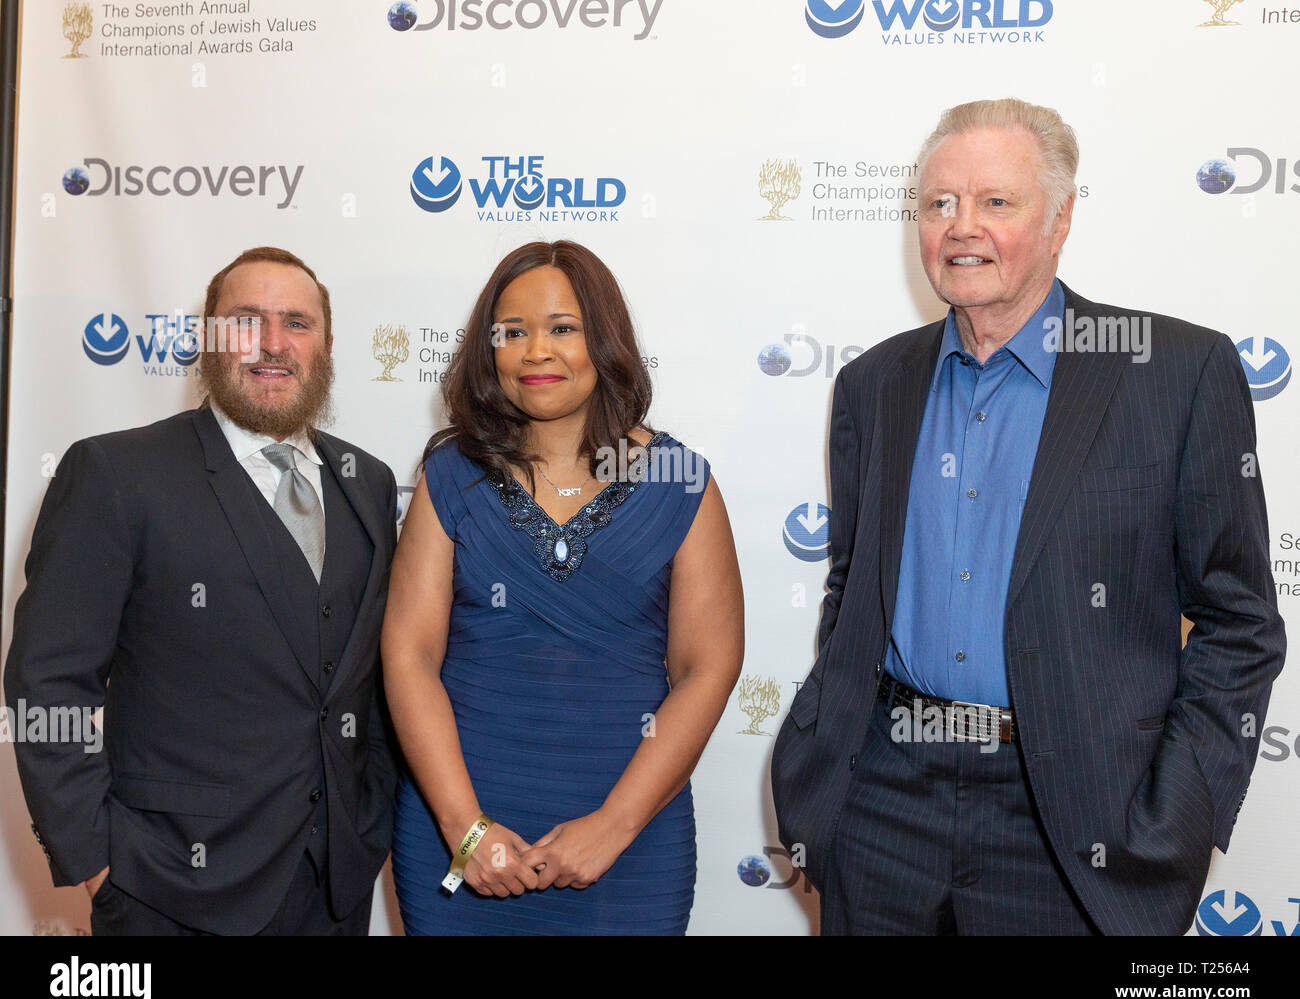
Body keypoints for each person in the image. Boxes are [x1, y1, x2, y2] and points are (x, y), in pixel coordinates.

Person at [771, 98, 1285, 935]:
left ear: (1061, 219)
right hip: (880, 808)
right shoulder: (873, 386)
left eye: (995, 203)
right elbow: (852, 586)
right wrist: (822, 774)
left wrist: (1173, 816)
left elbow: (1240, 624)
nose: (961, 227)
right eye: (940, 204)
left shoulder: (1175, 372)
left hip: (1076, 824)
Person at [6, 246, 399, 935]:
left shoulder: (365, 481)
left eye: (297, 324)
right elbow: (48, 682)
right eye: (247, 321)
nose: (274, 344)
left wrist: (370, 819)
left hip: (333, 892)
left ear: (327, 346)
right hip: (165, 891)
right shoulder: (115, 472)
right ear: (208, 340)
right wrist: (98, 859)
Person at [383, 240, 743, 935]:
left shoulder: (680, 481)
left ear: (603, 340)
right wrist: (465, 829)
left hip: (631, 844)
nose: (534, 352)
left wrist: (613, 825)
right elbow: (408, 657)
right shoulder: (451, 475)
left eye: (562, 328)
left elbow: (708, 669)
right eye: (511, 332)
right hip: (459, 833)